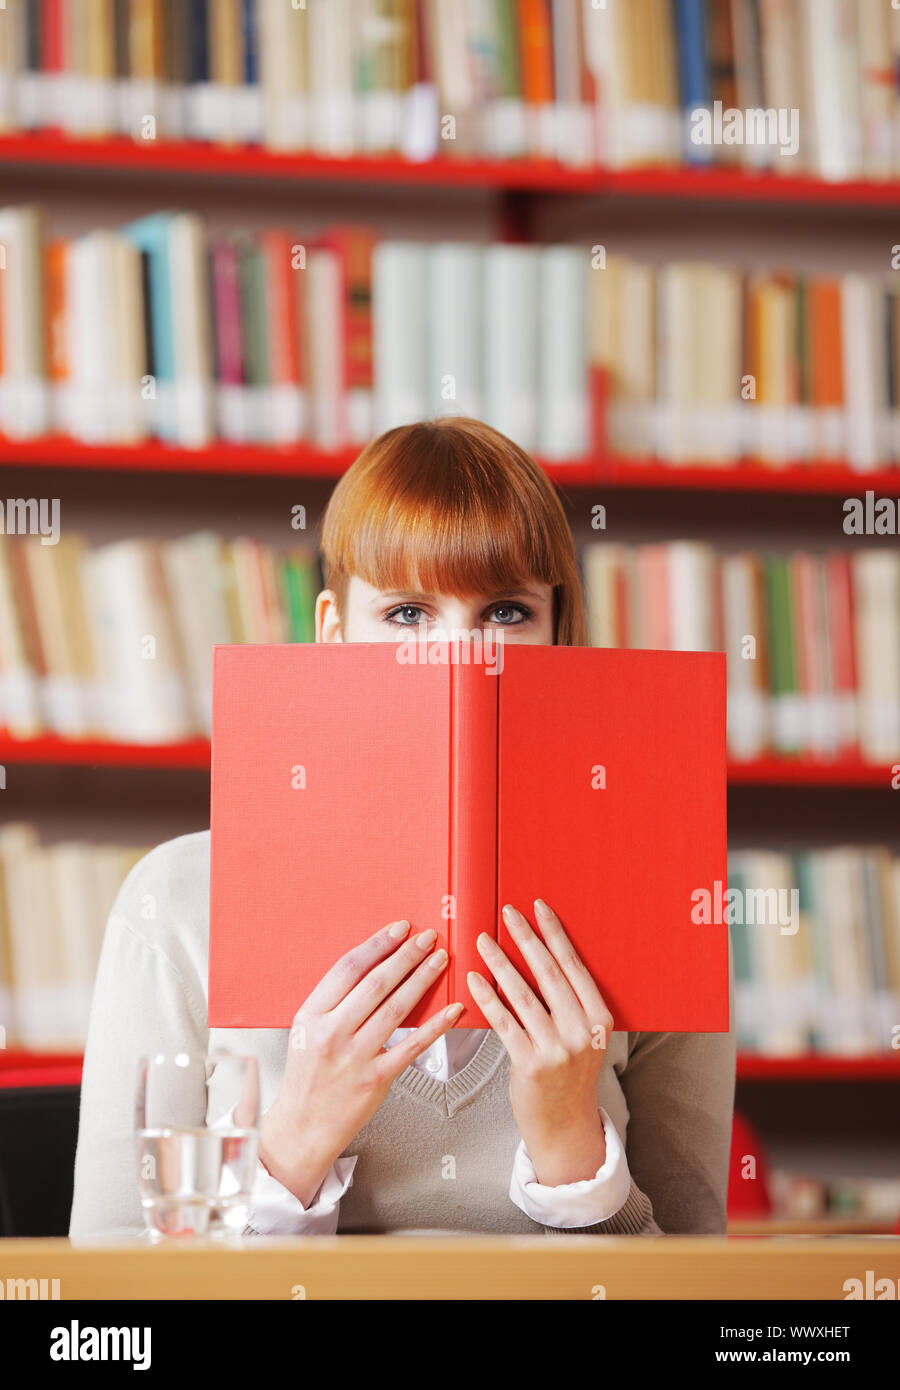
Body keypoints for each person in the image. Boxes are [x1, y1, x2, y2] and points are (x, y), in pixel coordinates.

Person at [69, 416, 736, 1237]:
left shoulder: (669, 898)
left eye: (504, 610)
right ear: (333, 635)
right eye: (409, 614)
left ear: (563, 639)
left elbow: (703, 1292)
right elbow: (101, 1305)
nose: (458, 656)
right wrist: (293, 1142)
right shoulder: (171, 903)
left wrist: (574, 1156)